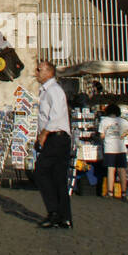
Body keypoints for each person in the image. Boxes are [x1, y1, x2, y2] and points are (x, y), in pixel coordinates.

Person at [34, 60, 73, 228]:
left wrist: (43, 134)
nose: (36, 72)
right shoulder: (45, 91)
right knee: (58, 178)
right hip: (56, 138)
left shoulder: (54, 90)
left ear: (49, 72)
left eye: (39, 69)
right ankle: (64, 217)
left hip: (56, 137)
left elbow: (55, 116)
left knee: (41, 171)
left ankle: (54, 212)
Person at [98, 103, 128, 200]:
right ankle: (124, 192)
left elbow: (101, 135)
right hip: (121, 148)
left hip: (109, 148)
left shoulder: (104, 121)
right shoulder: (122, 121)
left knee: (111, 170)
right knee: (122, 170)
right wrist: (126, 133)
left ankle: (110, 192)